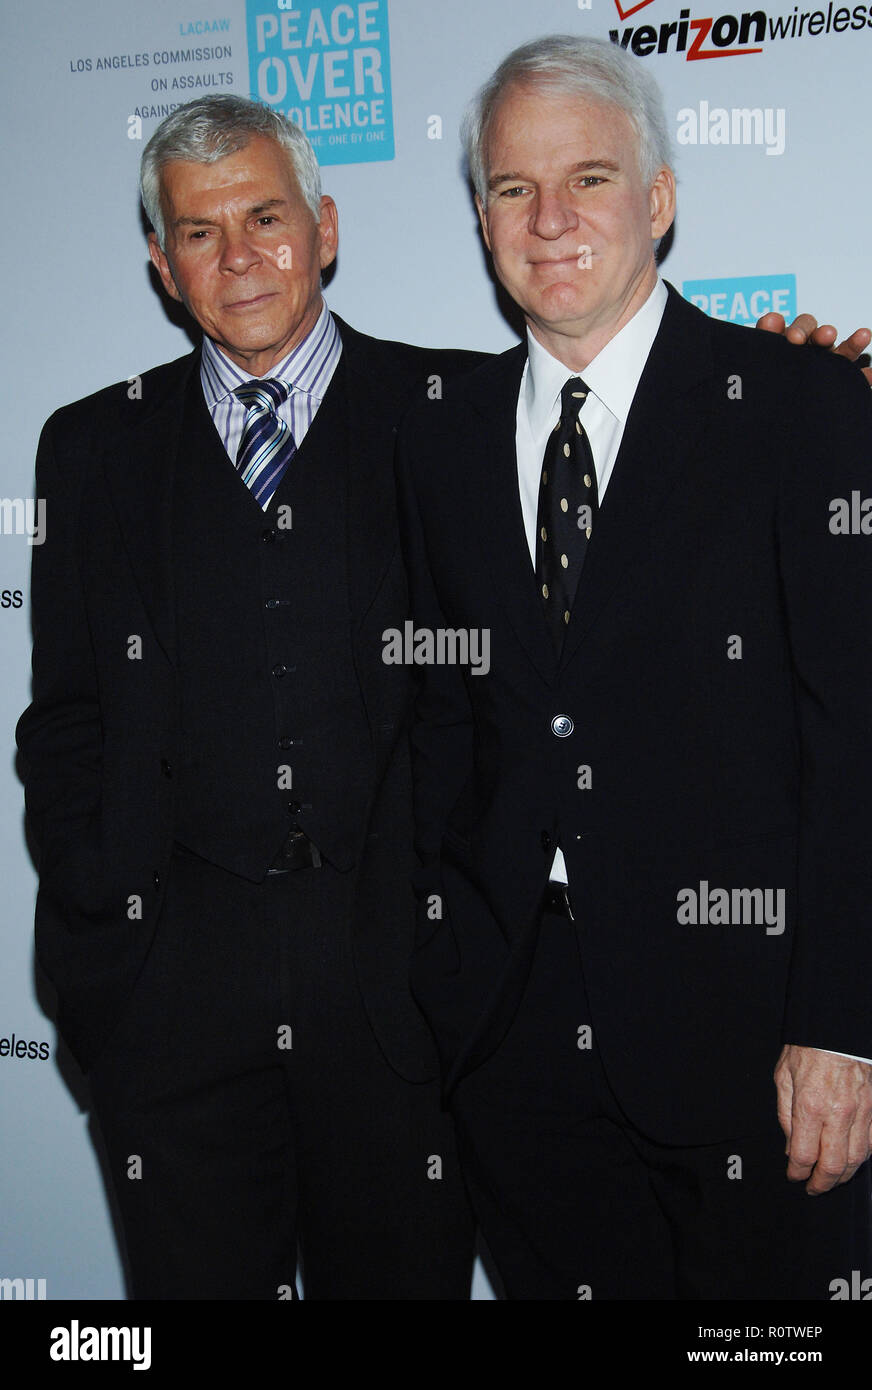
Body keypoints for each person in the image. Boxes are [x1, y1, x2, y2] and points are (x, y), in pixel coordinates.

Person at [395, 34, 872, 1299]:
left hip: (749, 1032)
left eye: (589, 179)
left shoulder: (798, 409)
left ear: (657, 200)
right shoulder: (435, 443)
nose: (548, 219)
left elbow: (854, 741)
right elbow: (441, 731)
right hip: (510, 1038)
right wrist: (440, 986)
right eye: (510, 188)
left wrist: (837, 1024)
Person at [15, 94, 479, 1300]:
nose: (240, 257)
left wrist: (799, 388)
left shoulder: (462, 418)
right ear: (163, 269)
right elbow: (62, 714)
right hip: (168, 1000)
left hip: (404, 998)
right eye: (201, 232)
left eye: (264, 218)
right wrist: (97, 906)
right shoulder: (87, 449)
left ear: (323, 227)